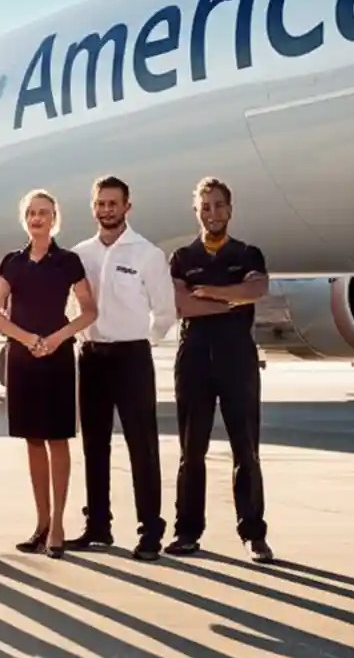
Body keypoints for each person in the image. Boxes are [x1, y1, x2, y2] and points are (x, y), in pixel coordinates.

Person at [64, 175, 178, 561]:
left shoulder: (147, 253)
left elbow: (165, 310)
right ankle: (97, 525)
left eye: (114, 203)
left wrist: (144, 339)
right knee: (94, 446)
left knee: (141, 447)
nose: (107, 210)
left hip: (132, 358)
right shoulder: (79, 254)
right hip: (92, 356)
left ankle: (150, 531)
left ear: (127, 207)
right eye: (101, 203)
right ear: (93, 206)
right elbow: (71, 306)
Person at [167, 176, 274, 563]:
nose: (213, 213)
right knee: (191, 451)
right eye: (206, 206)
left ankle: (254, 534)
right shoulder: (182, 258)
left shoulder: (248, 253)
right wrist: (232, 300)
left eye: (219, 205)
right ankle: (187, 533)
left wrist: (211, 293)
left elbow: (257, 290)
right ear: (197, 212)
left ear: (230, 209)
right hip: (194, 359)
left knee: (246, 450)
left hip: (237, 359)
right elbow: (181, 306)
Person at [0, 190, 97, 559]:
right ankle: (41, 521)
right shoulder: (12, 262)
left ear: (55, 218)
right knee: (32, 440)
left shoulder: (68, 261)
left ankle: (60, 525)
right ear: (25, 218)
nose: (38, 218)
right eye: (32, 212)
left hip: (58, 357)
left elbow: (88, 311)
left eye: (44, 213)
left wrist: (55, 339)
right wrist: (28, 339)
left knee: (57, 439)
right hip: (23, 358)